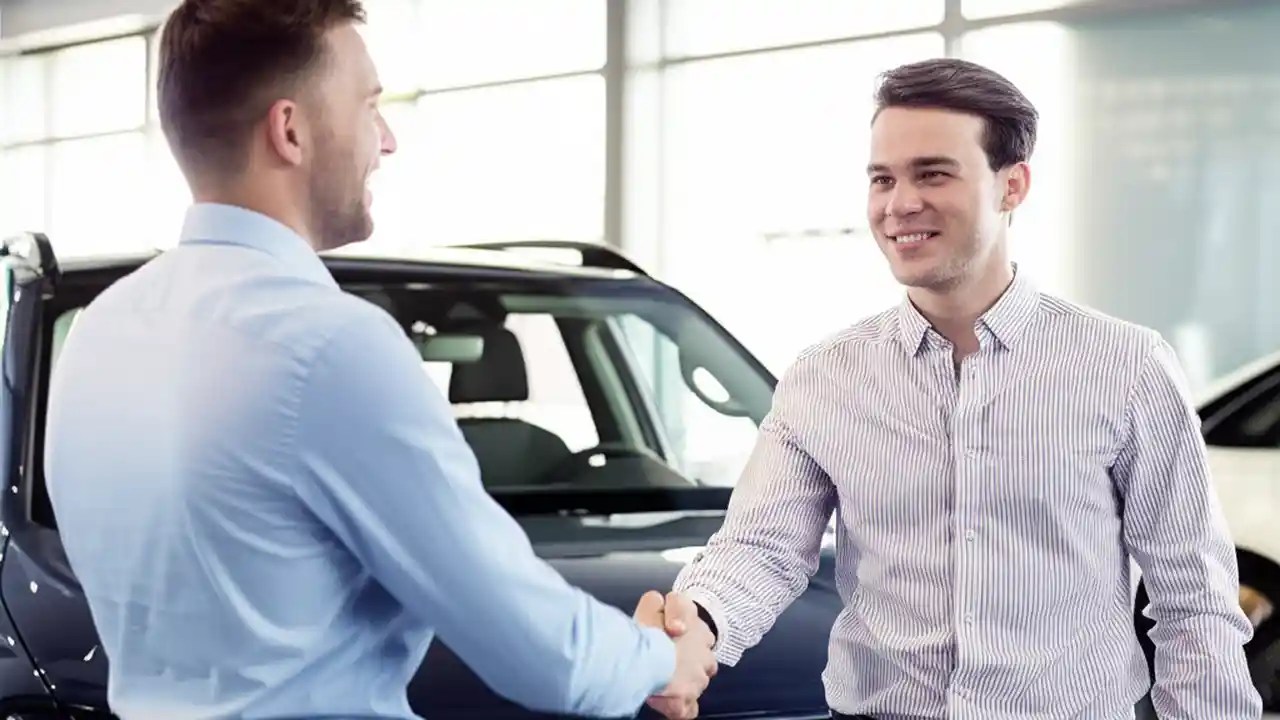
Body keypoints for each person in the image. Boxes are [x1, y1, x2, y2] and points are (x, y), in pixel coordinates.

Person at [42, 2, 714, 719]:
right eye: (369, 107)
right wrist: (662, 657)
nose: (385, 140)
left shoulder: (99, 331)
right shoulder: (329, 347)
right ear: (291, 130)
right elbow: (541, 652)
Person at [647, 58, 1263, 720]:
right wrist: (692, 628)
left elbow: (1191, 596)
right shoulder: (825, 378)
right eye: (883, 178)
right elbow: (758, 551)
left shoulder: (1127, 366)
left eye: (932, 173)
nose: (900, 203)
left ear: (1012, 185)